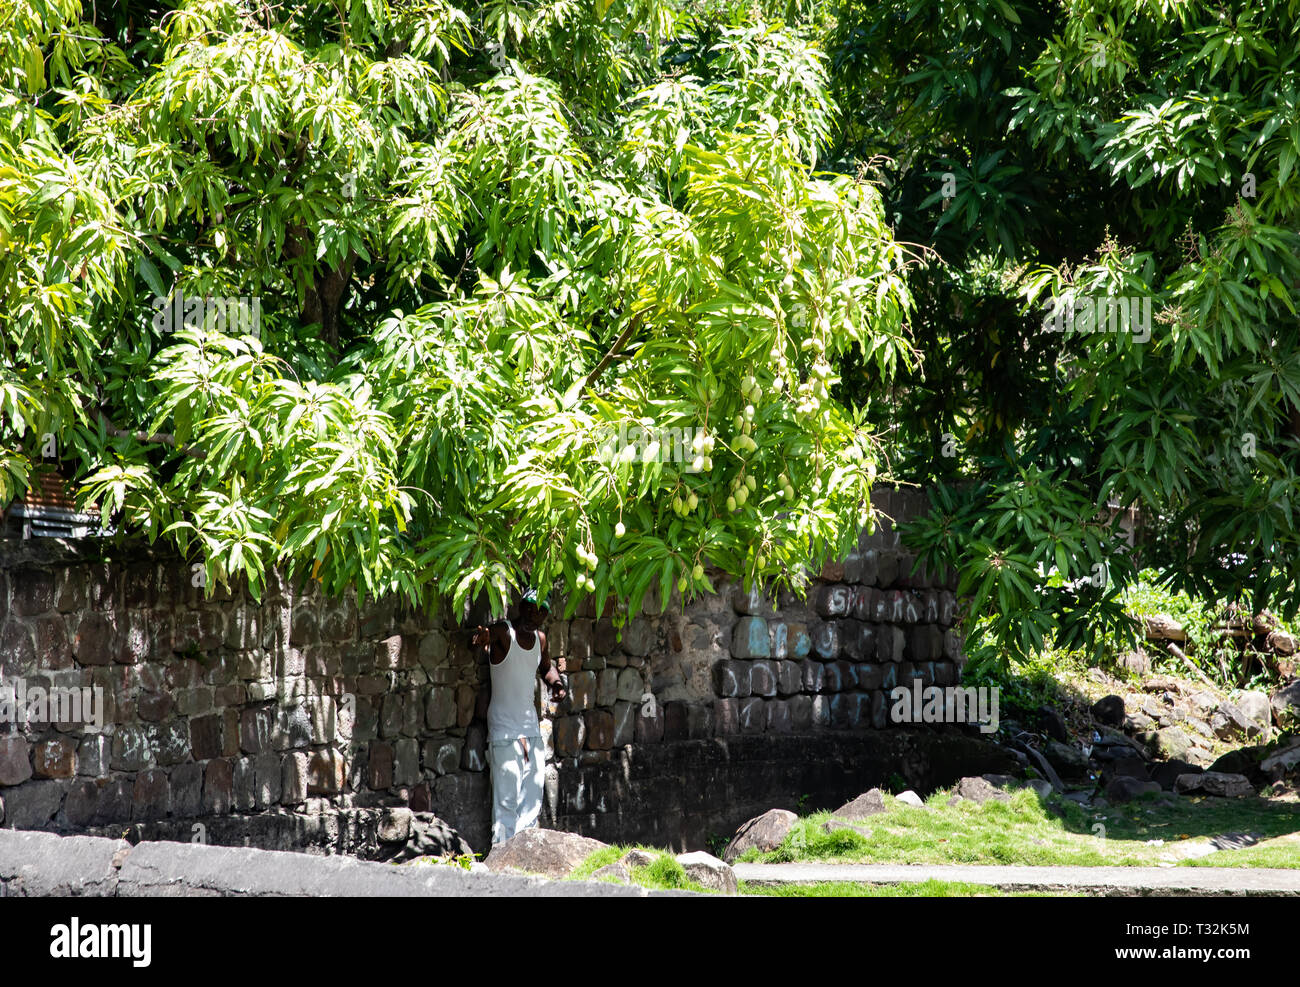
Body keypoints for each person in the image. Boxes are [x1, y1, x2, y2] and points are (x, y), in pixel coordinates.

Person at [471, 588, 567, 845]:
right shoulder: (505, 632)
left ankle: (523, 861)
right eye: (530, 608)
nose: (534, 615)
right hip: (503, 732)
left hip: (530, 731)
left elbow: (546, 667)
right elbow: (490, 633)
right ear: (521, 606)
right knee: (506, 803)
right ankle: (501, 858)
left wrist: (556, 684)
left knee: (532, 801)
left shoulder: (541, 640)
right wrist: (483, 637)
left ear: (545, 615)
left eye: (541, 612)